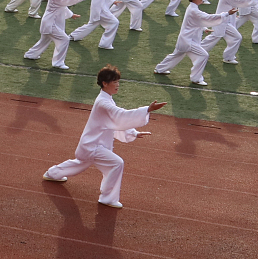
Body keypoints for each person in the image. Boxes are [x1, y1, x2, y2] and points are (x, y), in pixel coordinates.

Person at [42, 65, 165, 209]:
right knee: (117, 163)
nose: (118, 85)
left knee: (79, 163)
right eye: (115, 82)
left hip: (89, 146)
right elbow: (120, 116)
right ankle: (107, 198)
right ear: (105, 83)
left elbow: (113, 123)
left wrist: (134, 133)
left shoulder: (106, 99)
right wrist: (147, 109)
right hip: (92, 147)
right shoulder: (103, 102)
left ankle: (52, 173)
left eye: (118, 82)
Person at [155, 0, 235, 82]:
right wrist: (226, 14)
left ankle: (159, 69)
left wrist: (204, 28)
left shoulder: (193, 9)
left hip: (185, 40)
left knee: (176, 55)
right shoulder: (194, 10)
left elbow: (197, 21)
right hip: (188, 41)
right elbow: (207, 18)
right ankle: (196, 78)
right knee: (203, 55)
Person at [24, 0, 90, 69]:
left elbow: (63, 5)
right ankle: (58, 63)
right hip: (50, 24)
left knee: (44, 41)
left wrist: (71, 15)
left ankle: (30, 54)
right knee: (64, 39)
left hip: (48, 23)